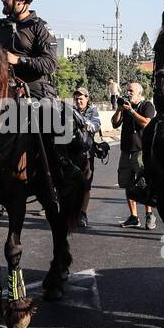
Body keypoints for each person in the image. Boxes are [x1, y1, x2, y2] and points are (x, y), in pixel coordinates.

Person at [0, 0, 59, 100]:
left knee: (49, 115)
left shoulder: (39, 27)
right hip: (1, 89)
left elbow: (50, 63)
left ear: (20, 0)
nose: (3, 0)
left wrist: (18, 60)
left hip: (35, 92)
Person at [113, 81, 155, 229]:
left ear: (139, 93)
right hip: (126, 150)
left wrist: (131, 111)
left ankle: (149, 214)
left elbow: (146, 123)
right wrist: (119, 109)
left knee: (144, 183)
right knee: (127, 184)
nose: (128, 93)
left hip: (141, 150)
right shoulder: (124, 107)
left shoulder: (147, 106)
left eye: (131, 91)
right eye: (127, 91)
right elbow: (114, 124)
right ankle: (134, 217)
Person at [71, 86, 103, 228]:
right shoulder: (70, 111)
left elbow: (95, 125)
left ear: (87, 99)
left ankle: (83, 214)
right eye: (76, 98)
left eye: (81, 98)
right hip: (71, 153)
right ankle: (72, 212)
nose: (78, 101)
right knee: (70, 184)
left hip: (86, 154)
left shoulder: (92, 111)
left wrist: (81, 121)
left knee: (85, 186)